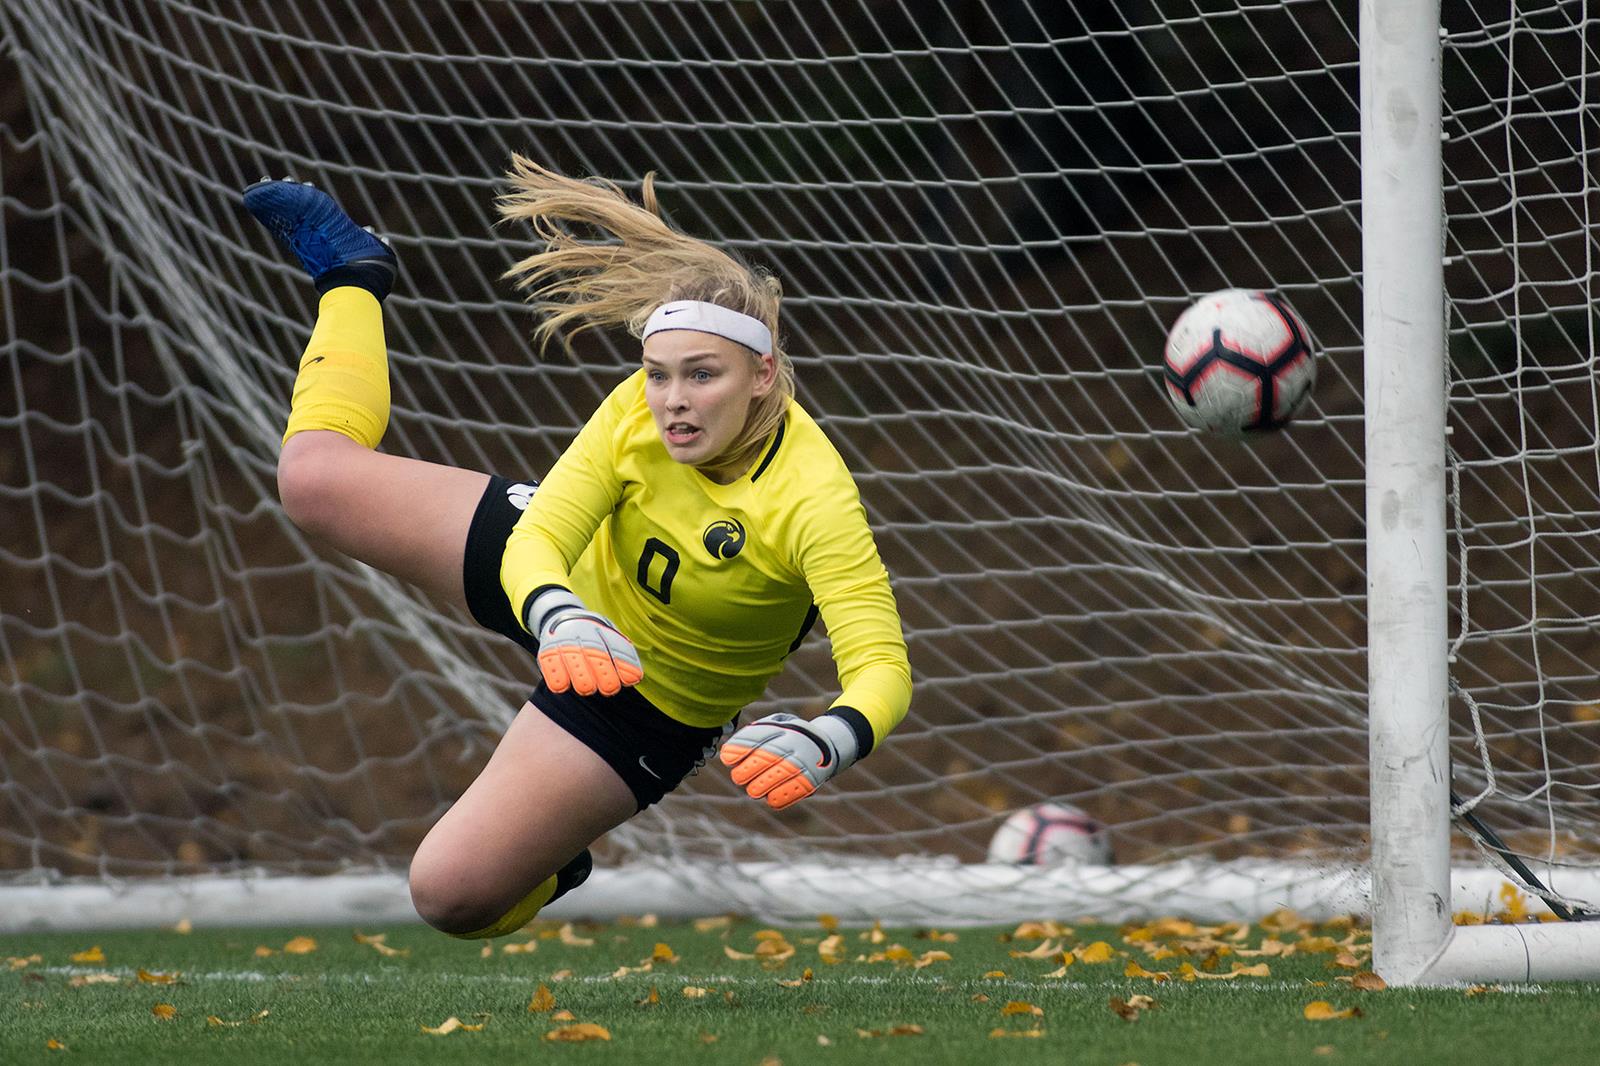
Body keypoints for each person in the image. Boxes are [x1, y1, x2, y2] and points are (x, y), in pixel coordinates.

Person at [242, 157, 912, 939]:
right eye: (660, 375)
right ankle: (354, 275)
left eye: (703, 376)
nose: (674, 402)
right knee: (314, 481)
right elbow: (543, 538)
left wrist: (830, 737)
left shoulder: (812, 497)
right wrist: (559, 611)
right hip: (563, 590)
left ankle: (555, 859)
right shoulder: (639, 406)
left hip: (645, 701)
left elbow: (882, 668)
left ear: (762, 374)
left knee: (451, 896)